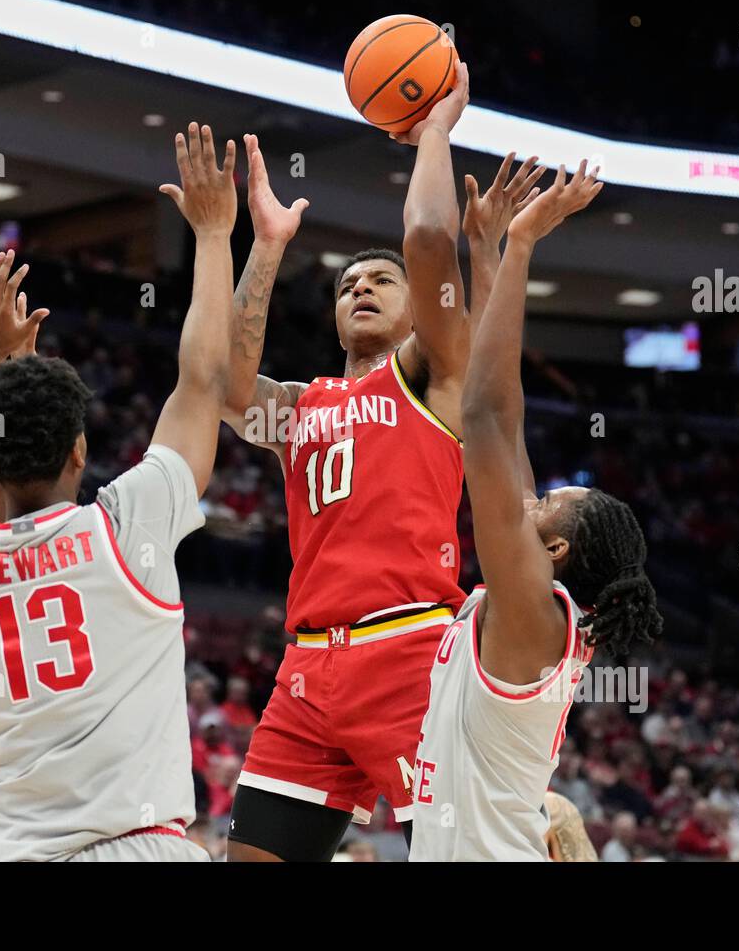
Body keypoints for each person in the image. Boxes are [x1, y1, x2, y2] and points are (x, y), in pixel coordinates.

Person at [225, 61, 545, 861]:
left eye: (380, 281)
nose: (361, 288)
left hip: (408, 653)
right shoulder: (302, 404)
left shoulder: (432, 378)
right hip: (305, 667)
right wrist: (264, 247)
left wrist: (434, 131)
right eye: (347, 285)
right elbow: (224, 389)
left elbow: (429, 241)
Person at [0, 122, 237, 862]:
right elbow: (203, 380)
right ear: (80, 452)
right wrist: (214, 237)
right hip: (135, 844)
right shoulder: (125, 529)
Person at [409, 162, 662, 860]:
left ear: (557, 553)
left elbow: (486, 417)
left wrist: (521, 245)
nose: (534, 499)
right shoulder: (542, 616)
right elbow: (508, 428)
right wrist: (488, 253)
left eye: (551, 503)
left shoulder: (531, 611)